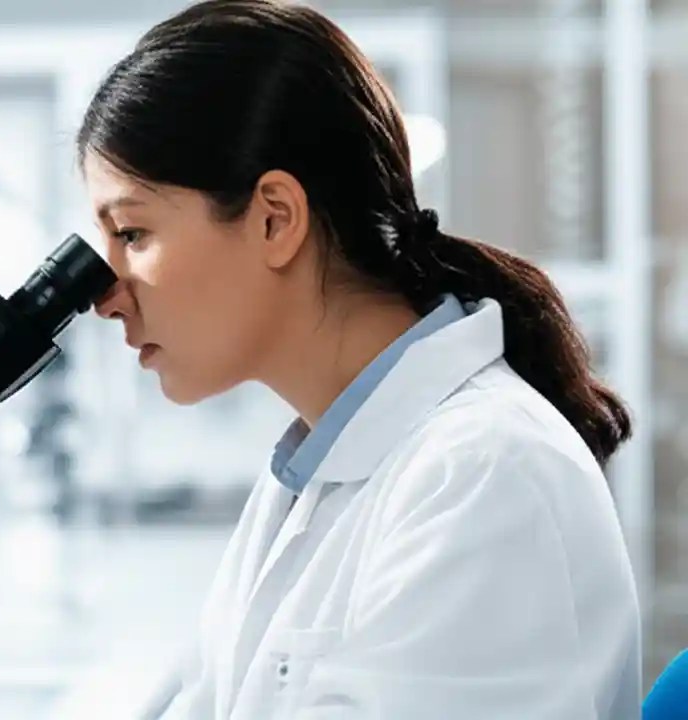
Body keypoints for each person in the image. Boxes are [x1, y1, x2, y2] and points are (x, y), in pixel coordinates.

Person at [79, 1, 641, 718]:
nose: (105, 295)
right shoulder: (311, 477)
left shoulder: (482, 475)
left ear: (275, 219)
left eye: (132, 232)